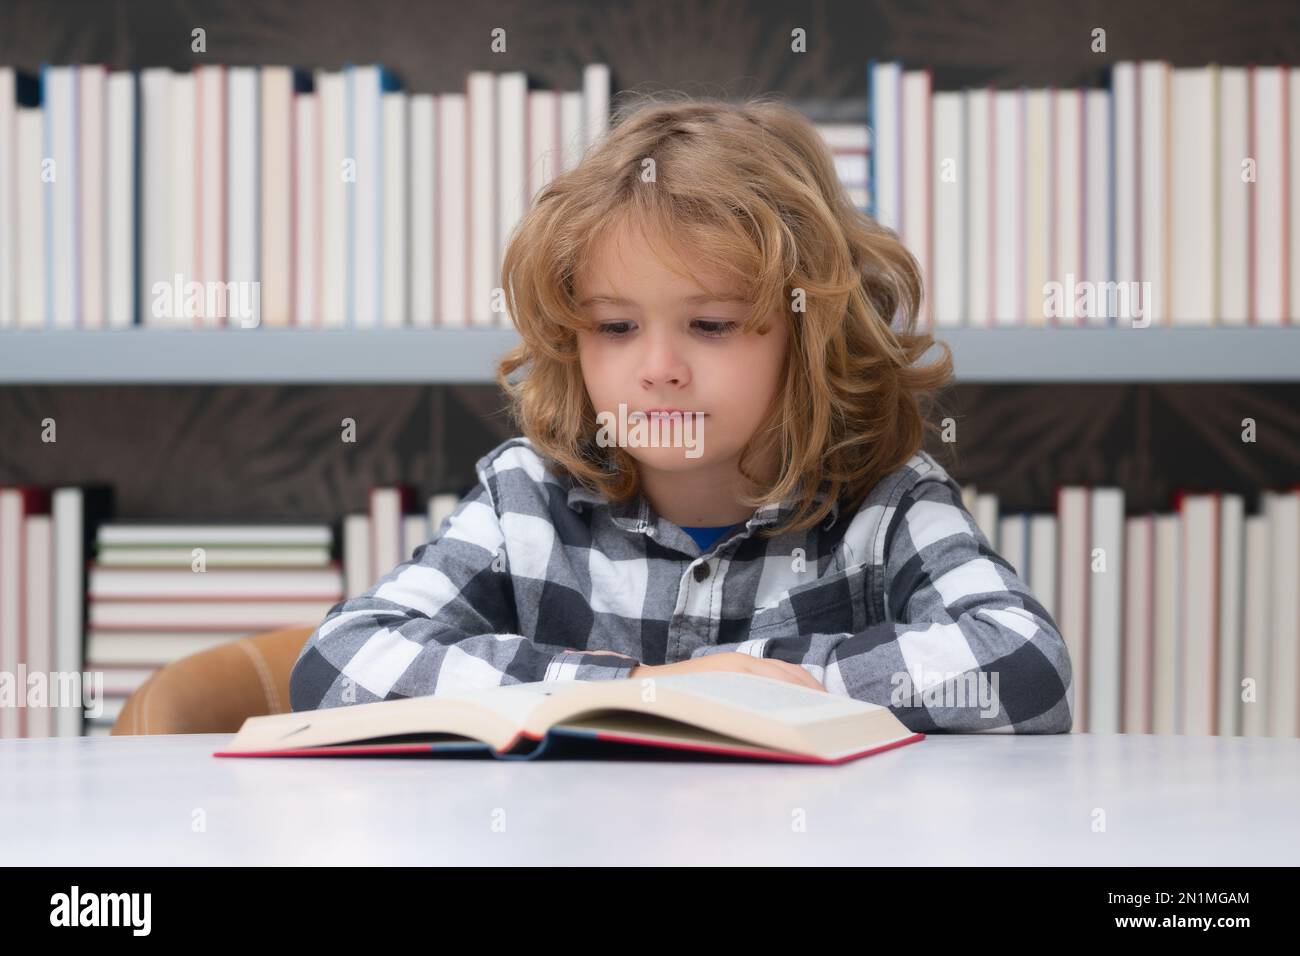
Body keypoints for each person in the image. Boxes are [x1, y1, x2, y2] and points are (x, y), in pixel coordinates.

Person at [289, 95, 1073, 733]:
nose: (658, 369)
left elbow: (1025, 662)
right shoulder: (526, 499)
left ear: (810, 336)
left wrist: (775, 688)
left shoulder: (887, 500)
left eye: (712, 325)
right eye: (616, 327)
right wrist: (646, 690)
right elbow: (340, 664)